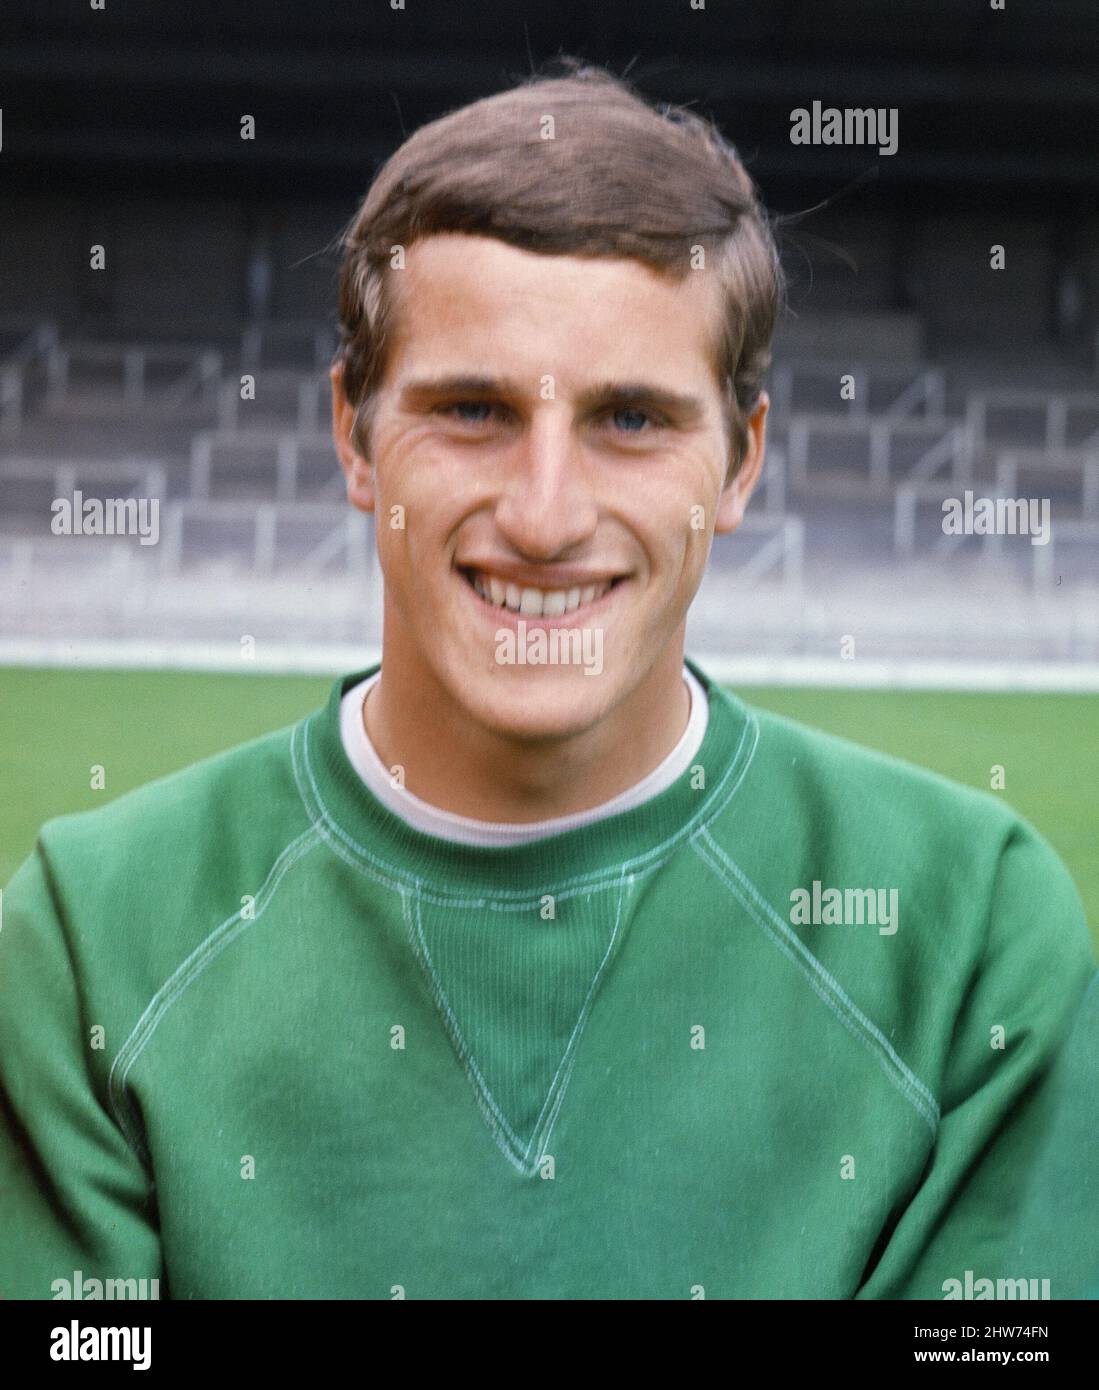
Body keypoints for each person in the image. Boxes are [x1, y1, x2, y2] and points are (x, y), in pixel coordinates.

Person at [1, 63, 1095, 1301]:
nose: (544, 512)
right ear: (352, 436)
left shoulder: (968, 938)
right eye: (470, 409)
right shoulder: (87, 940)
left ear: (741, 465)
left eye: (631, 420)